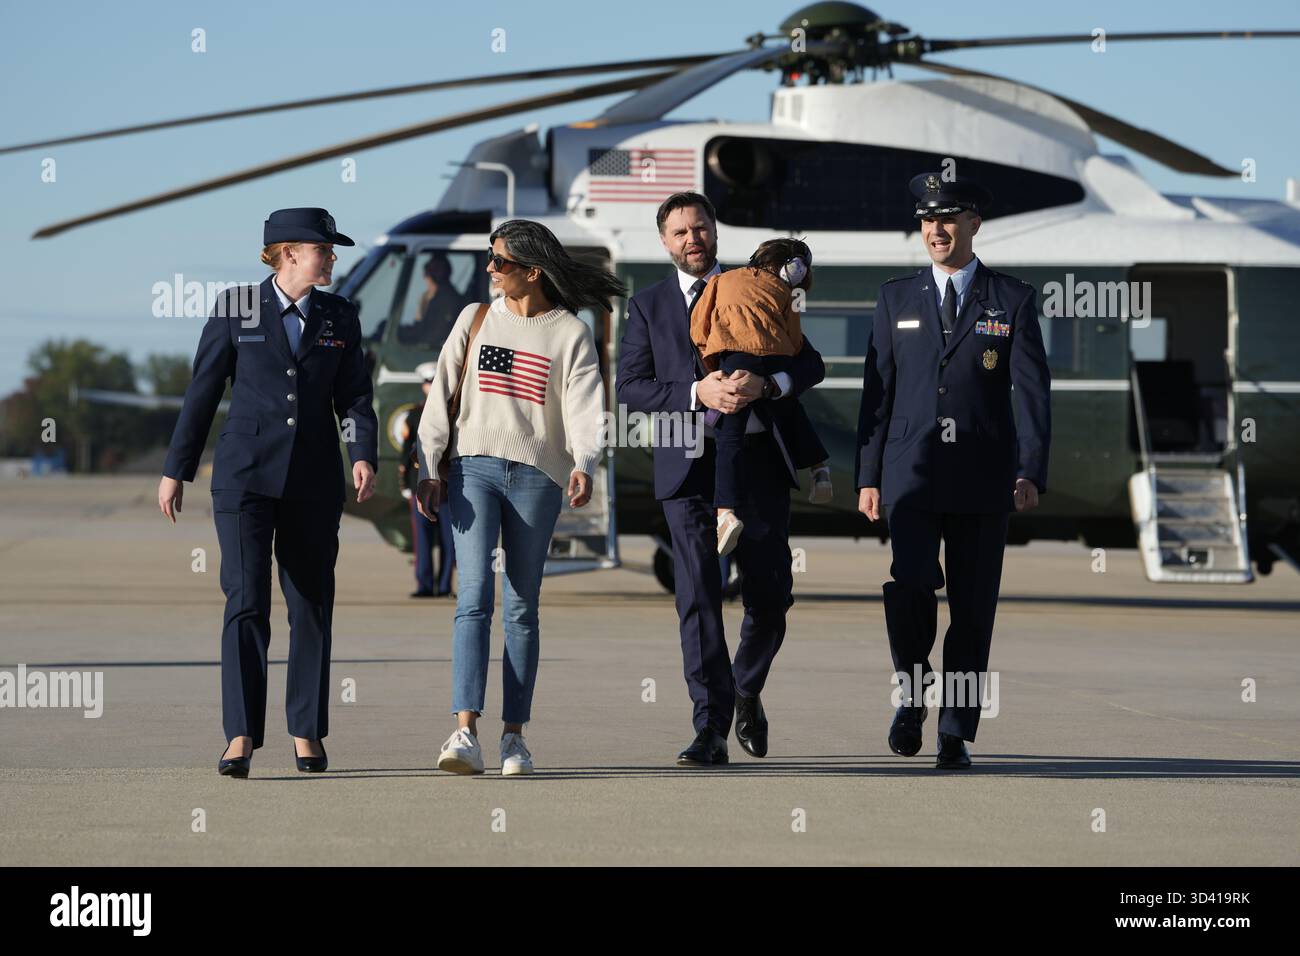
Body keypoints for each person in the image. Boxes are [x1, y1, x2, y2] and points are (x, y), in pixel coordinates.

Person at [157, 207, 379, 778]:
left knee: (310, 604)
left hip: (313, 481)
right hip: (244, 478)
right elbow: (202, 390)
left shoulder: (339, 315)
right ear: (288, 253)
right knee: (246, 602)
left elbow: (354, 398)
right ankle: (240, 735)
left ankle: (306, 730)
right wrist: (176, 468)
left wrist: (361, 454)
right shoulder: (237, 307)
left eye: (332, 250)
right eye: (324, 249)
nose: (332, 258)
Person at [616, 191, 826, 766]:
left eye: (701, 228)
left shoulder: (754, 286)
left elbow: (808, 362)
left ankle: (745, 689)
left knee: (771, 596)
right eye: (680, 232)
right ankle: (709, 728)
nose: (693, 239)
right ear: (664, 241)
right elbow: (630, 387)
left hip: (758, 463)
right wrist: (695, 391)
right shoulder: (649, 307)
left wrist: (771, 385)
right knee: (699, 597)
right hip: (686, 468)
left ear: (715, 232)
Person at [855, 173, 1051, 769]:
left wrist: (1030, 470)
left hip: (984, 477)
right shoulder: (895, 297)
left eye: (948, 219)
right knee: (910, 586)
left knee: (972, 609)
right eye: (926, 221)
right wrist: (868, 476)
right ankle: (912, 699)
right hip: (910, 475)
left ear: (973, 225)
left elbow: (1033, 392)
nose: (936, 230)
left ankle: (955, 730)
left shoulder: (1011, 298)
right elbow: (878, 393)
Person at [415, 219, 621, 776]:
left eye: (500, 261)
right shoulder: (476, 318)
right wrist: (430, 463)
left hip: (538, 476)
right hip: (472, 467)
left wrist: (584, 463)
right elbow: (442, 392)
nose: (490, 268)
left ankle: (514, 739)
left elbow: (584, 406)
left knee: (523, 605)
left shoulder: (570, 333)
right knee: (474, 595)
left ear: (533, 271)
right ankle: (464, 732)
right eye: (490, 257)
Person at [690, 237, 833, 555]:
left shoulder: (720, 281)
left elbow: (699, 326)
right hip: (776, 357)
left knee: (729, 439)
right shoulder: (786, 291)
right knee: (792, 410)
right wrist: (777, 370)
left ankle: (725, 512)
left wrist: (713, 361)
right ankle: (819, 470)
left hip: (732, 359)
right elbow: (796, 340)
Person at [399, 362, 455, 597]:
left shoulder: (453, 413)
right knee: (422, 539)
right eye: (428, 383)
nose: (431, 387)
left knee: (449, 541)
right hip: (419, 483)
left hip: (447, 487)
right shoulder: (413, 415)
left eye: (435, 382)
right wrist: (405, 484)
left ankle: (444, 586)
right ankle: (424, 584)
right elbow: (405, 452)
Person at [400, 254, 467, 347]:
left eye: (429, 272)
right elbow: (420, 327)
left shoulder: (449, 301)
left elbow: (434, 337)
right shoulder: (434, 298)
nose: (425, 277)